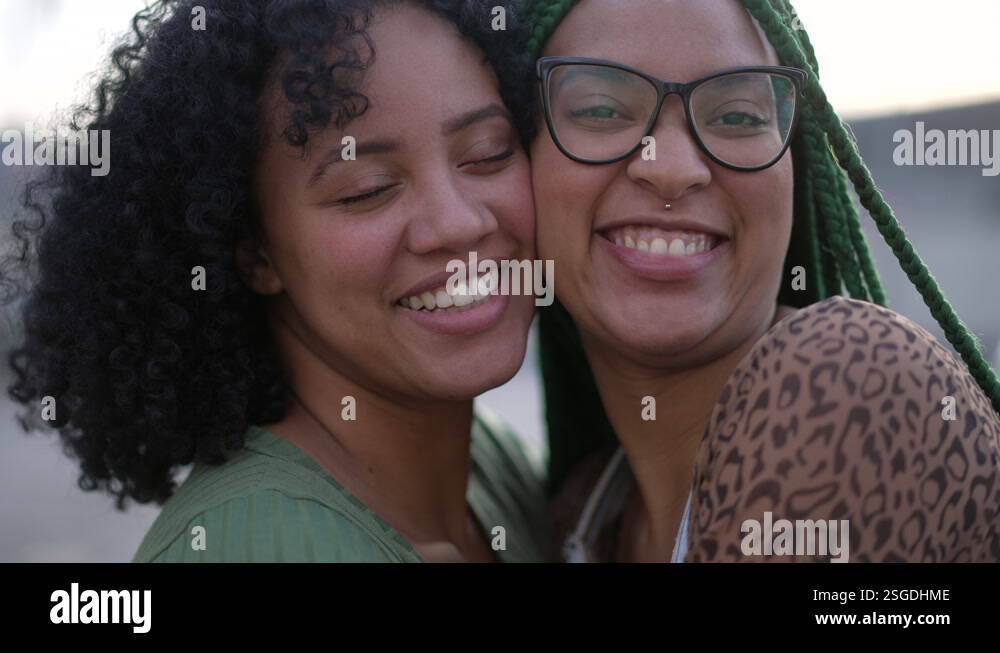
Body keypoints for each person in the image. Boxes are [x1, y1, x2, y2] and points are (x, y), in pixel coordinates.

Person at [3, 0, 553, 562]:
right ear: (255, 253)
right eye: (367, 189)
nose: (460, 221)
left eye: (488, 153)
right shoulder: (254, 547)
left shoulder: (493, 465)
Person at [519, 0, 1000, 561]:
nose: (672, 166)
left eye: (738, 116)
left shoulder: (845, 385)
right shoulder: (587, 512)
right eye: (601, 110)